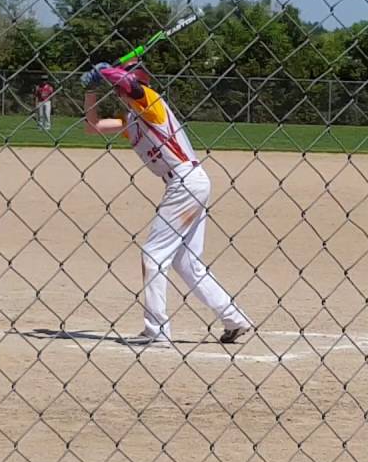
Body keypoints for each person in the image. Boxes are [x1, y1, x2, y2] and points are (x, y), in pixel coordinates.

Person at [81, 61, 251, 345]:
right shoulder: (132, 120)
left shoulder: (151, 103)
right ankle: (234, 318)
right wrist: (90, 90)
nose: (120, 92)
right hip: (186, 183)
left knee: (153, 255)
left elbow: (131, 86)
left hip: (185, 180)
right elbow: (93, 126)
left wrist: (106, 70)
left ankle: (156, 329)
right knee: (187, 263)